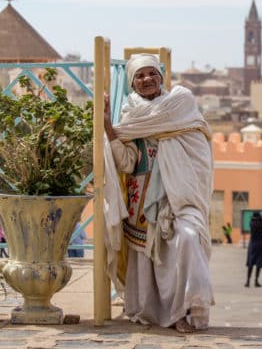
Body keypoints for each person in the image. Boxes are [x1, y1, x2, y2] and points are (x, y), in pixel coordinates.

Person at [103, 53, 214, 333]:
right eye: (139, 76)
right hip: (142, 201)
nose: (147, 80)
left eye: (152, 73)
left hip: (181, 197)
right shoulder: (131, 116)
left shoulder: (180, 104)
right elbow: (128, 161)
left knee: (188, 240)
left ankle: (188, 309)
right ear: (132, 83)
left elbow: (199, 149)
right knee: (150, 261)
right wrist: (108, 128)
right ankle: (157, 313)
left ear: (161, 76)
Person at [245, 212, 262, 287]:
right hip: (260, 244)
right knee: (258, 263)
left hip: (252, 244)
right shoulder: (261, 223)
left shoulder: (251, 223)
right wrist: (261, 220)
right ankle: (256, 281)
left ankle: (247, 281)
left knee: (250, 263)